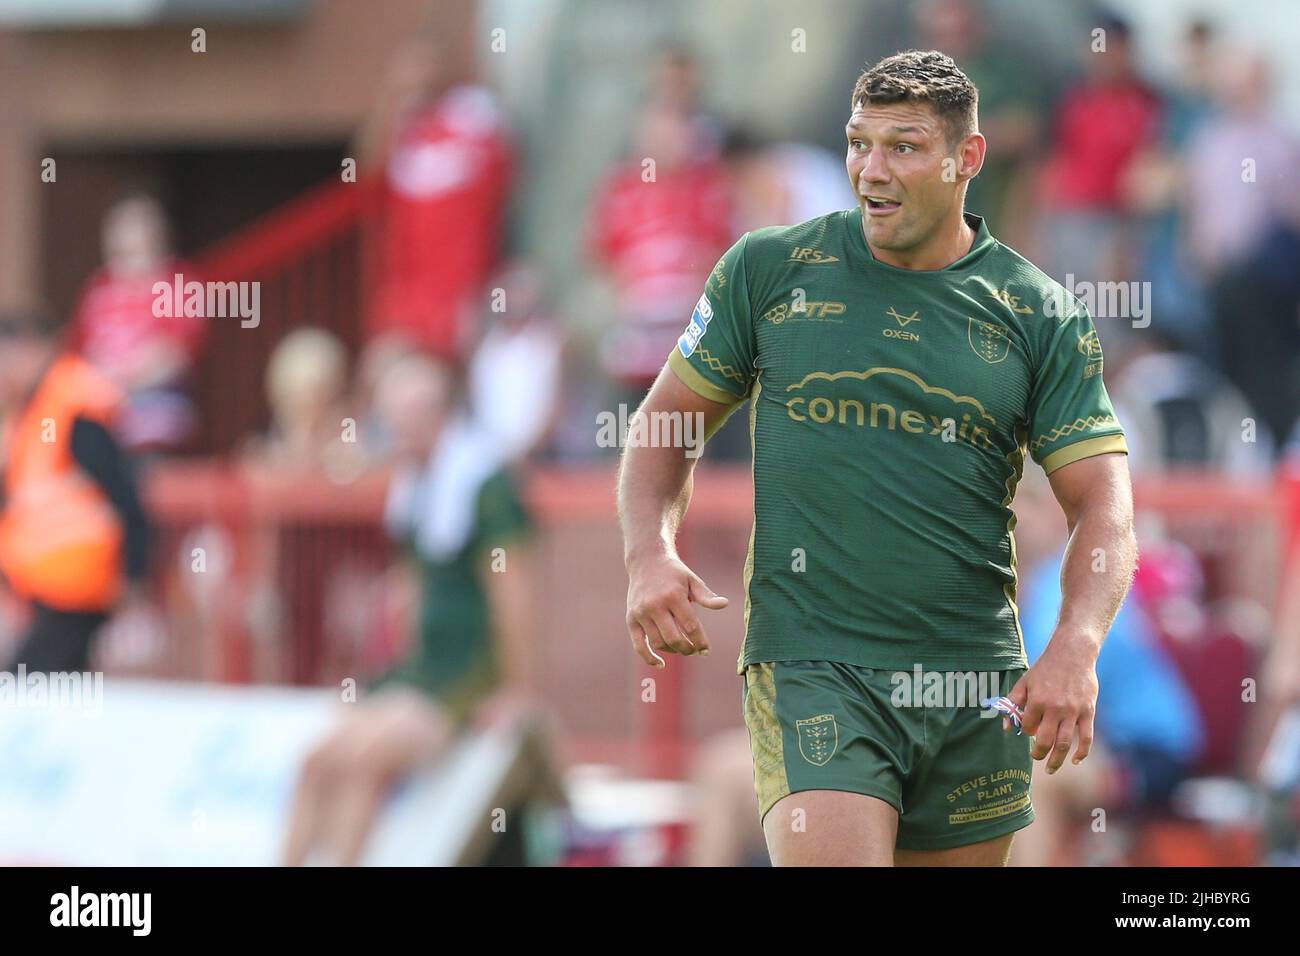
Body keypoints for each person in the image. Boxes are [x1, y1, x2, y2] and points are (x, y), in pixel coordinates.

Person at [618, 50, 1135, 867]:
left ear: (967, 159)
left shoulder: (1040, 313)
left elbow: (1104, 506)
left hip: (974, 684)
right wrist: (649, 550)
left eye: (904, 147)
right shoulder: (768, 269)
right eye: (859, 144)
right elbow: (664, 427)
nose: (871, 169)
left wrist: (1075, 641)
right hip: (816, 665)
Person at [283, 352, 535, 866]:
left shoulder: (482, 483)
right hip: (420, 670)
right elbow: (412, 588)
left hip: (464, 676)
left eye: (406, 417)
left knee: (360, 761)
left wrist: (516, 689)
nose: (395, 430)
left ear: (436, 414)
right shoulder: (417, 482)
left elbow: (515, 594)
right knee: (314, 760)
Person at [0, 306, 151, 673]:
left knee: (23, 687)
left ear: (31, 347)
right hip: (44, 588)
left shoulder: (72, 402)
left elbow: (125, 495)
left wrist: (133, 578)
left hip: (80, 585)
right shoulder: (30, 411)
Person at [68, 194, 206, 454]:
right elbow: (84, 351)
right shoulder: (99, 289)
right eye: (119, 254)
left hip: (157, 403)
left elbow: (175, 357)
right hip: (100, 402)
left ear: (160, 247)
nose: (126, 265)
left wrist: (121, 383)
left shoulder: (179, 287)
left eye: (137, 252)